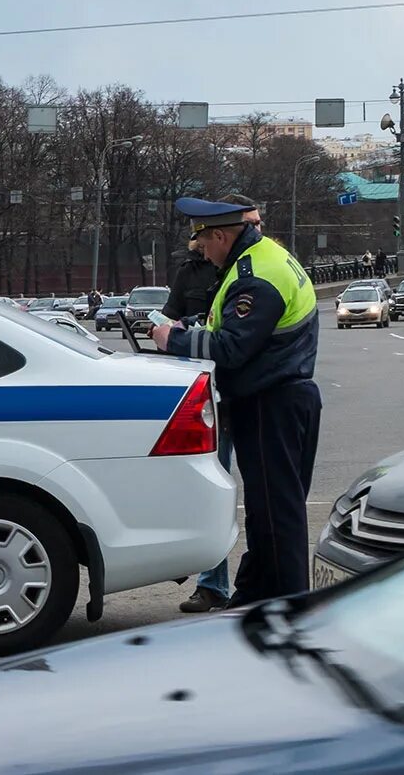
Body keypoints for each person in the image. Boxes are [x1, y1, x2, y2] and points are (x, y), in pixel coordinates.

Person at [151, 197, 321, 607]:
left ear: (222, 236)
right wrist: (189, 325)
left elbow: (232, 347)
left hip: (271, 402)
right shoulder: (259, 259)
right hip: (278, 399)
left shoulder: (254, 275)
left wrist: (170, 339)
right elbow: (225, 324)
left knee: (278, 512)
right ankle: (255, 592)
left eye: (204, 243)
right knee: (267, 509)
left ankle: (288, 604)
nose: (202, 252)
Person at [162, 234, 228, 611]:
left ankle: (267, 583)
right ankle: (212, 585)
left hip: (242, 391)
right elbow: (172, 319)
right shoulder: (189, 272)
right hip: (204, 395)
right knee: (212, 491)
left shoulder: (243, 270)